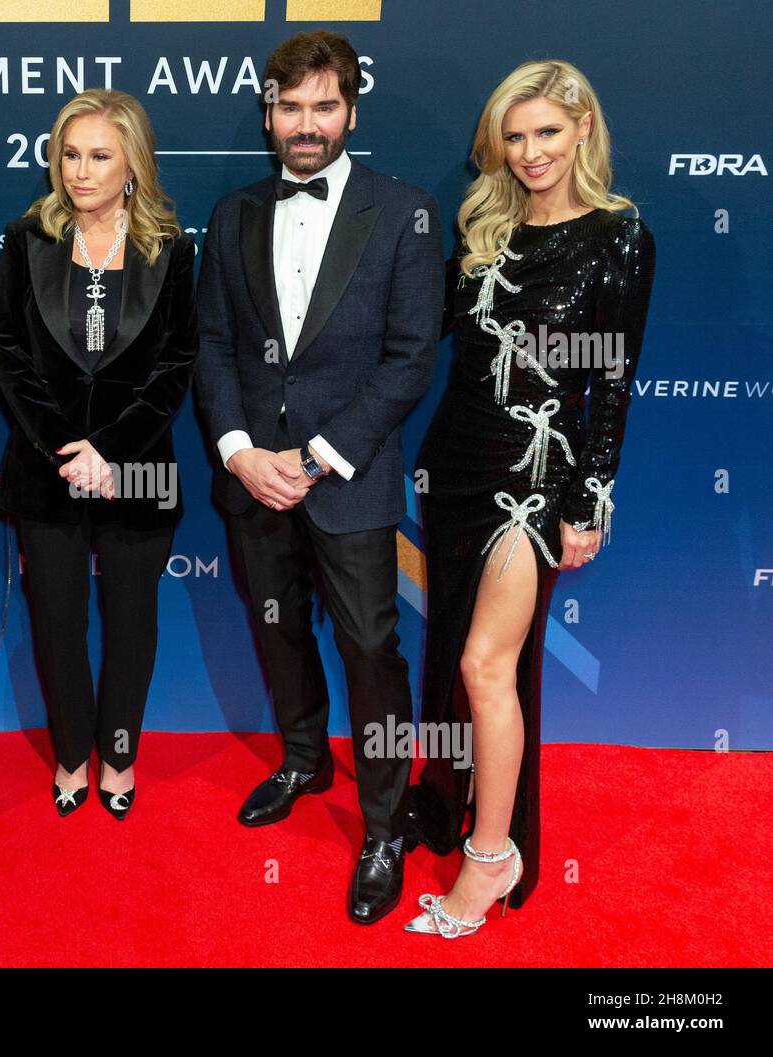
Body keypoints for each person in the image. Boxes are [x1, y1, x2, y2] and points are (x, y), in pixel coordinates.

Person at [193, 30, 442, 924]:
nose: (306, 125)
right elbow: (214, 346)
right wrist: (237, 450)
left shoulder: (404, 212)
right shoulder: (232, 216)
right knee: (279, 628)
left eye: (323, 107)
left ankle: (383, 823)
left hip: (351, 477)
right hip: (254, 476)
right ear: (269, 112)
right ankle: (302, 756)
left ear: (350, 112)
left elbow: (410, 360)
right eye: (289, 107)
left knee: (371, 651)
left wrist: (318, 455)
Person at [404, 59, 655, 937]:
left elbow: (612, 384)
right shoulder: (488, 230)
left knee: (484, 666)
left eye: (546, 132)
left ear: (583, 129)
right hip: (455, 465)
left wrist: (587, 503)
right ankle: (444, 802)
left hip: (535, 476)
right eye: (514, 137)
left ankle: (492, 855)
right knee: (453, 657)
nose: (530, 151)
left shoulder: (619, 236)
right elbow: (413, 324)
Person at [0, 89, 198, 821]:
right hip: (47, 470)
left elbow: (176, 363)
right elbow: (7, 352)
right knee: (58, 620)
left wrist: (109, 449)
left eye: (99, 156)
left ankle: (119, 753)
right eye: (69, 154)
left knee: (132, 620)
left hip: (136, 469)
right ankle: (72, 752)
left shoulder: (171, 248)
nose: (80, 171)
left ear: (133, 162)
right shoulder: (27, 238)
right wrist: (61, 449)